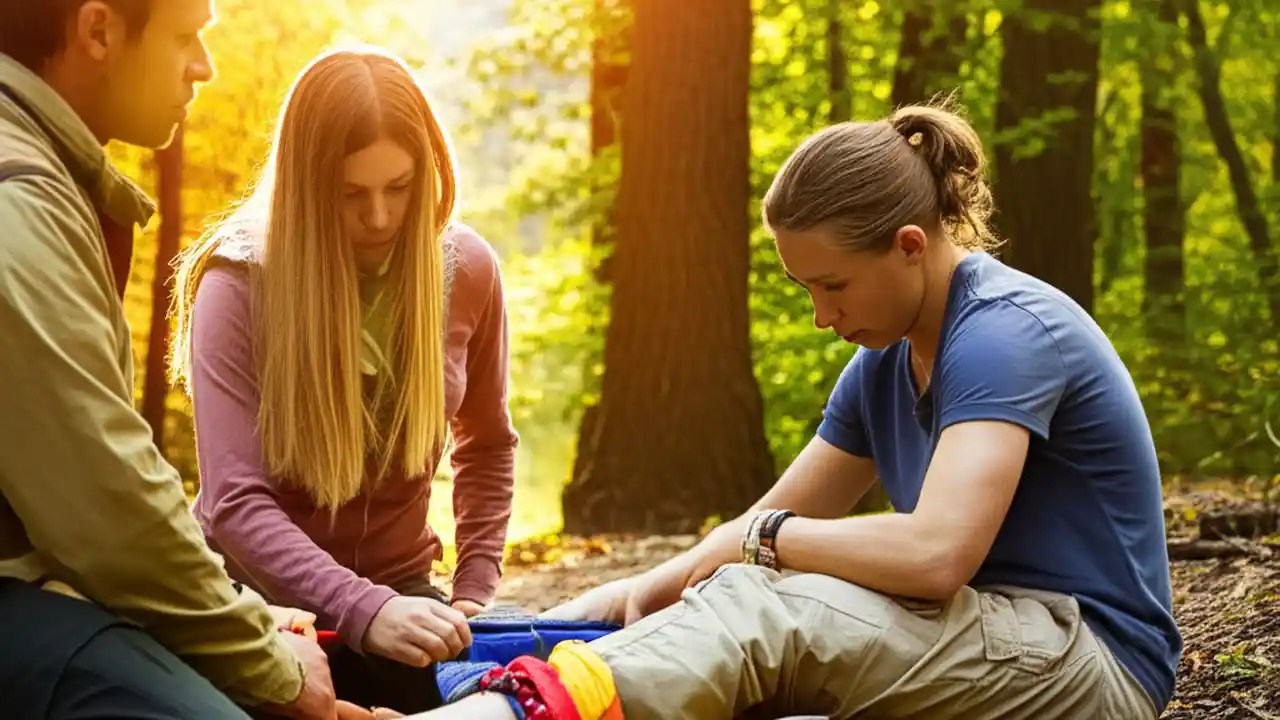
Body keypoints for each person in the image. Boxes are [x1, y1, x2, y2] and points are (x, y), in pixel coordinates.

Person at [376, 100, 1183, 720]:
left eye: (832, 286)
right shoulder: (884, 362)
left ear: (910, 245)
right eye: (806, 290)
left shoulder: (1004, 332)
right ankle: (531, 671)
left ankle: (512, 710)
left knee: (765, 609)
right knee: (727, 636)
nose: (821, 317)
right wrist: (602, 608)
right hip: (981, 639)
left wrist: (760, 542)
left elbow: (935, 553)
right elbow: (755, 536)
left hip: (1089, 662)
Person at [0, 1, 349, 718]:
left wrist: (240, 613)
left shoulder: (38, 173)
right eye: (186, 37)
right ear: (98, 31)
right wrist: (274, 670)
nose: (204, 66)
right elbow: (105, 504)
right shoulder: (21, 206)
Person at [166, 46, 520, 714]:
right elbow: (234, 501)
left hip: (399, 591)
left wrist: (473, 588)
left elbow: (488, 442)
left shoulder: (466, 269)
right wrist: (363, 608)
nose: (380, 218)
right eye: (351, 193)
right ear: (305, 186)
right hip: (248, 603)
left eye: (400, 186)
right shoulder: (236, 284)